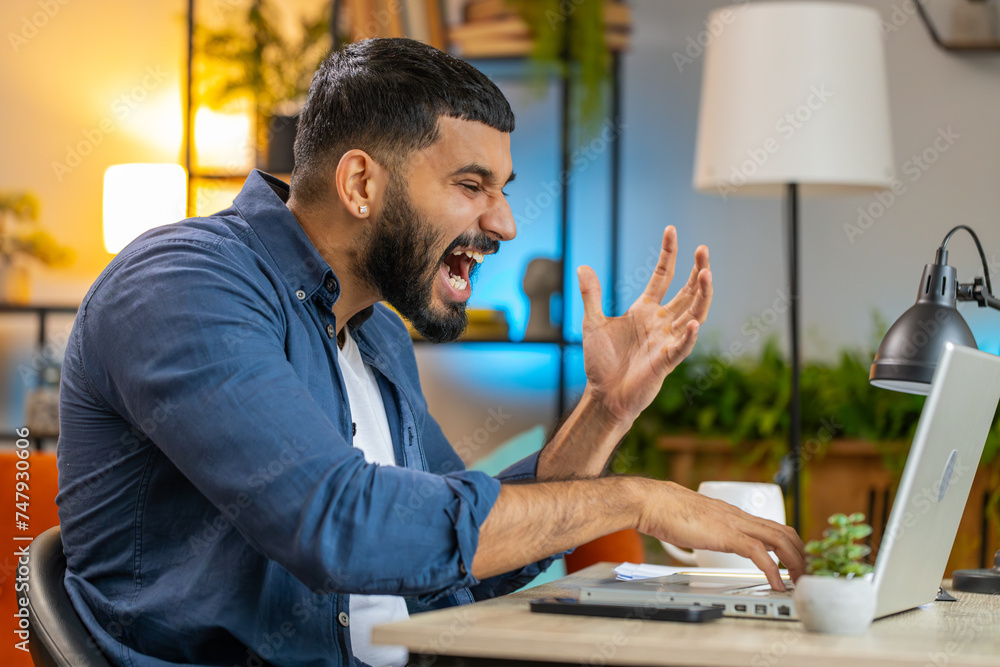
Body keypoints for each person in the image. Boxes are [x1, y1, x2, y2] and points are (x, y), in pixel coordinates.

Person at [56, 38, 804, 667]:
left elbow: (454, 561)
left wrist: (603, 411)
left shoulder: (374, 330)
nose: (506, 223)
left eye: (503, 188)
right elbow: (341, 525)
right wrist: (638, 497)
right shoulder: (182, 284)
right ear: (360, 183)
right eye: (472, 184)